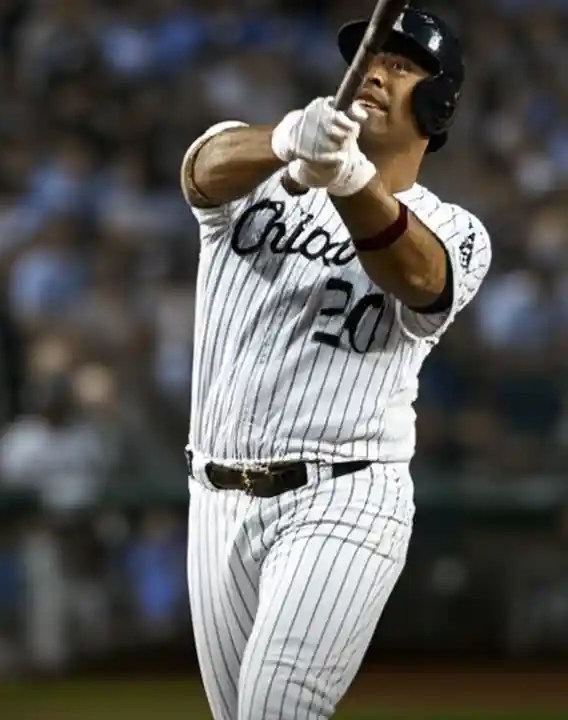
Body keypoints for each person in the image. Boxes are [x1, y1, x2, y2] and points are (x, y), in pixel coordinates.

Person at [178, 9, 491, 719]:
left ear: (439, 106)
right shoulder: (264, 171)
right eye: (371, 56)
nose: (376, 70)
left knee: (277, 709)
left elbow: (419, 279)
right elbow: (201, 169)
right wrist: (288, 139)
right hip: (215, 496)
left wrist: (350, 177)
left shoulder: (458, 230)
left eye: (404, 64)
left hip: (344, 497)